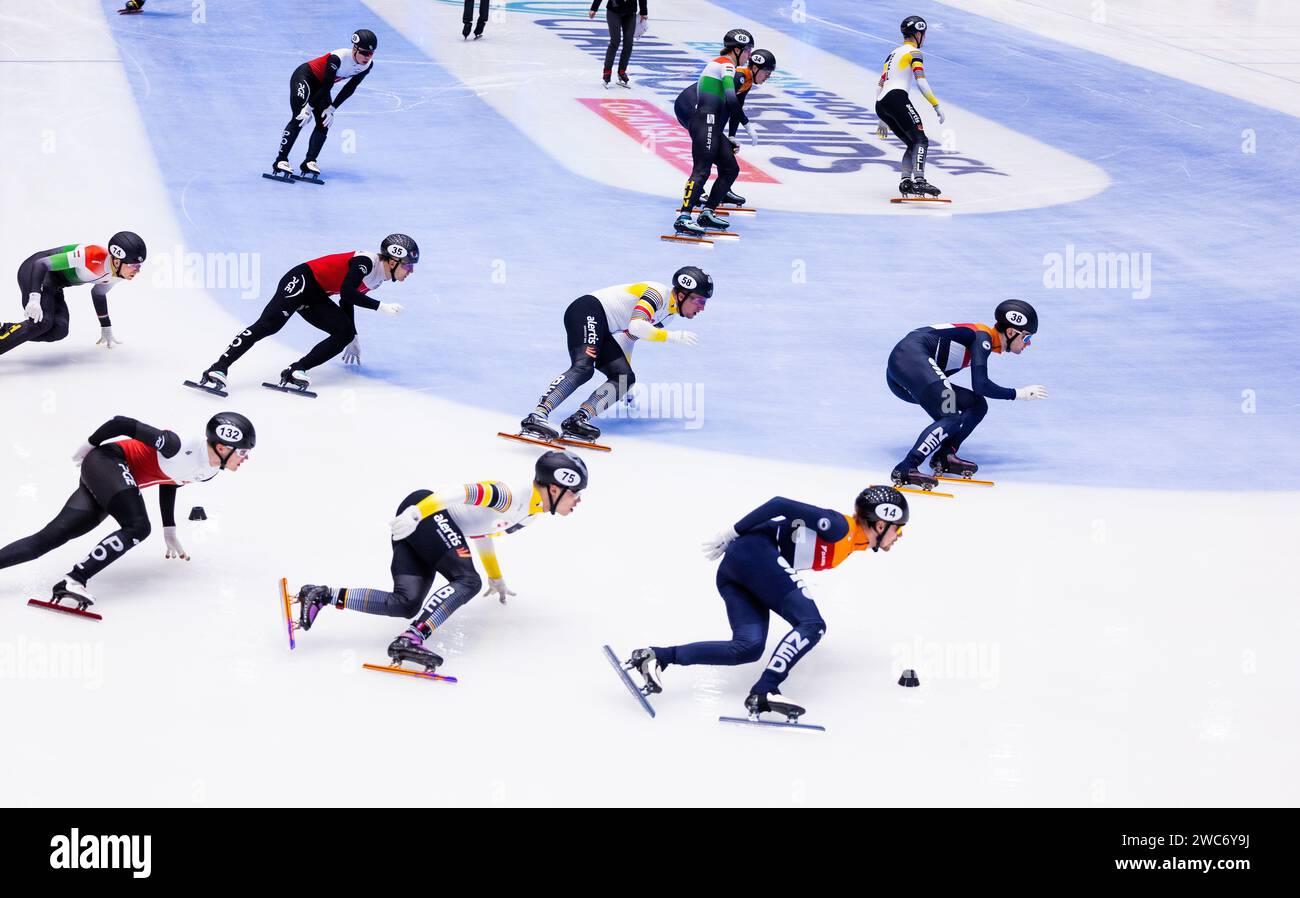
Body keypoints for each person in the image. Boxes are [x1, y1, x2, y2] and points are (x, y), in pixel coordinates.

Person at [621, 486, 910, 721]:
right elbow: (780, 503)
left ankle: (656, 656)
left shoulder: (854, 543)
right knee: (813, 624)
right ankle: (765, 689)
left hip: (738, 571)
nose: (899, 536)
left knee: (747, 648)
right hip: (754, 554)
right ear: (881, 522)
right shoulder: (838, 527)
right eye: (898, 529)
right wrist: (732, 532)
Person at [288, 450, 588, 672]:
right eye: (575, 493)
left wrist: (496, 576)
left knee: (405, 603)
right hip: (423, 512)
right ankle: (411, 638)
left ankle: (320, 595)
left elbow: (482, 534)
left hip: (430, 526)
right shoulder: (509, 496)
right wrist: (417, 513)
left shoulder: (530, 514)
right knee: (468, 581)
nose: (578, 501)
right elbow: (459, 492)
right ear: (554, 487)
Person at [0, 413, 254, 611]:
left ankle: (70, 577)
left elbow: (171, 480)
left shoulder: (209, 472)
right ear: (222, 447)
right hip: (107, 461)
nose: (245, 458)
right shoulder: (176, 445)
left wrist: (169, 529)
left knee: (50, 537)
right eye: (243, 451)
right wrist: (90, 444)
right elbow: (121, 423)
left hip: (110, 478)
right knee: (138, 527)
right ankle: (75, 579)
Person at [193, 235, 416, 393]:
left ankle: (296, 369)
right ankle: (218, 368)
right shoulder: (366, 262)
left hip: (317, 294)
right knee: (270, 324)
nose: (410, 272)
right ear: (394, 259)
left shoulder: (379, 279)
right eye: (409, 266)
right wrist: (380, 307)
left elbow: (347, 298)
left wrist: (353, 336)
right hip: (302, 279)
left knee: (344, 332)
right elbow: (348, 290)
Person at [518, 266, 711, 444]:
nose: (702, 307)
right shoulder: (657, 293)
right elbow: (636, 325)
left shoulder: (667, 317)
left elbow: (629, 338)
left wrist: (625, 382)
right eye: (700, 300)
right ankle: (537, 414)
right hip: (588, 310)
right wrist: (671, 337)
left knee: (625, 378)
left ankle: (578, 419)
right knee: (583, 368)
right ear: (682, 295)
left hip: (604, 327)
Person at [887, 299, 1047, 488]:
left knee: (976, 405)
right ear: (1011, 332)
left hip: (904, 367)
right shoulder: (983, 337)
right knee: (951, 416)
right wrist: (1018, 393)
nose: (1028, 344)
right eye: (1027, 338)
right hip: (910, 358)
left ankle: (945, 456)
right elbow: (981, 384)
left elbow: (977, 392)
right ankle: (906, 467)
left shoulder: (982, 339)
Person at [0, 233, 145, 357]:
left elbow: (98, 294)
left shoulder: (118, 275)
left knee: (59, 330)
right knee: (43, 323)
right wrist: (35, 297)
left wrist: (105, 326)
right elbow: (41, 264)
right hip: (35, 271)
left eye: (139, 266)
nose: (137, 270)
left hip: (54, 284)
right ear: (117, 261)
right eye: (134, 265)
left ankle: (5, 329)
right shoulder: (92, 255)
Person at [672, 29, 754, 237]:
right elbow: (730, 97)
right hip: (705, 120)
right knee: (702, 170)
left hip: (712, 122)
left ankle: (707, 212)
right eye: (748, 51)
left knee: (730, 168)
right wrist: (746, 123)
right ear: (737, 50)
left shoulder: (727, 65)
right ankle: (684, 217)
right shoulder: (725, 65)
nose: (749, 56)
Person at [674, 48, 776, 210]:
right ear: (755, 68)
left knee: (723, 150)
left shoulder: (747, 79)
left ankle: (722, 189)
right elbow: (727, 106)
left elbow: (735, 108)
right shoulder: (738, 76)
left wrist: (732, 135)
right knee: (708, 150)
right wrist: (745, 126)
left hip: (696, 108)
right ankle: (698, 192)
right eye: (767, 73)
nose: (768, 77)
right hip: (690, 106)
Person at [272, 29, 377, 178]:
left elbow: (350, 88)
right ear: (355, 49)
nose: (368, 57)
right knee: (300, 117)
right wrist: (308, 108)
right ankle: (280, 160)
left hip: (322, 86)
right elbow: (327, 86)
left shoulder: (367, 65)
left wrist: (332, 108)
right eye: (365, 53)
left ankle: (310, 161)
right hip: (305, 77)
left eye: (371, 54)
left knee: (324, 121)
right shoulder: (338, 58)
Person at [875, 15, 945, 198]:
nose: (925, 38)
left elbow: (880, 85)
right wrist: (935, 104)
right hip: (897, 98)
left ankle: (906, 182)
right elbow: (921, 82)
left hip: (881, 103)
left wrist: (882, 120)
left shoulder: (892, 54)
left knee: (911, 143)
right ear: (918, 34)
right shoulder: (914, 53)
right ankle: (920, 182)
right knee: (921, 140)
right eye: (924, 34)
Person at [589, 0, 648, 87]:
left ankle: (622, 71)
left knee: (628, 42)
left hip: (630, 13)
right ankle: (607, 71)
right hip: (613, 11)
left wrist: (644, 12)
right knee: (615, 41)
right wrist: (594, 8)